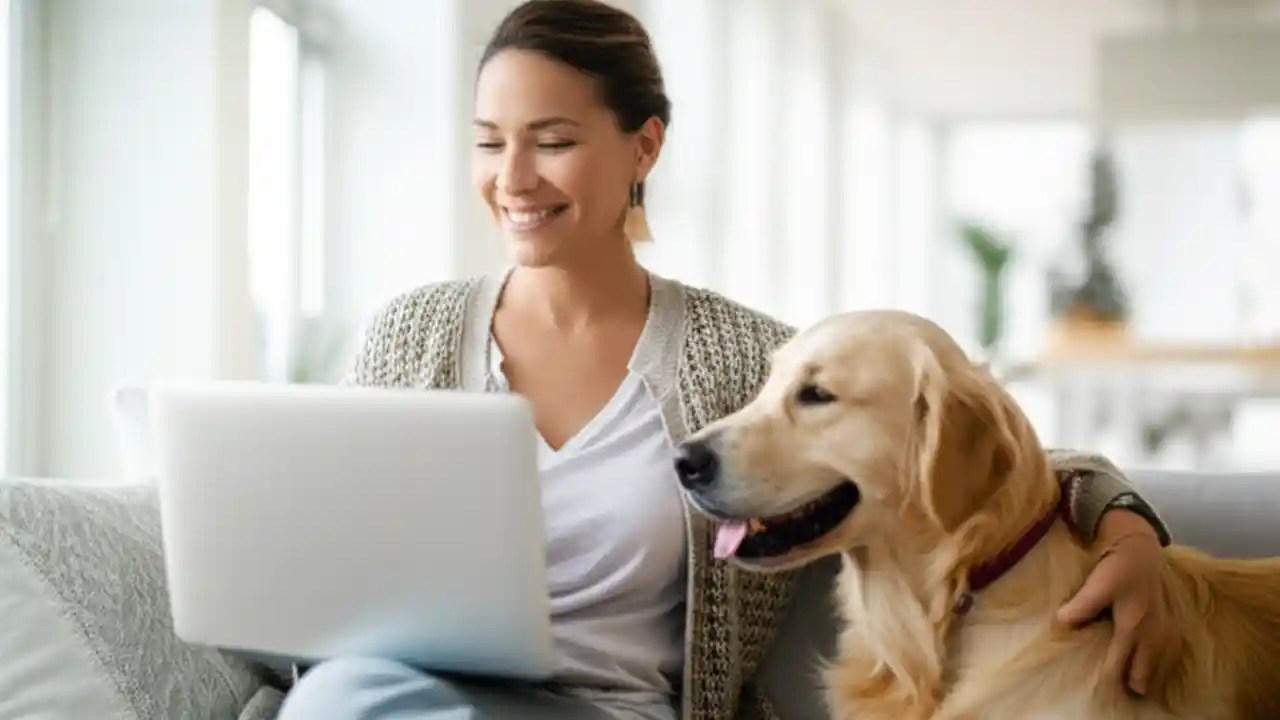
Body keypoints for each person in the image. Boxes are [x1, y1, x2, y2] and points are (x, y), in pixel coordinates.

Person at [278, 2, 1176, 718]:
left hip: (611, 711)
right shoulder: (411, 337)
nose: (511, 177)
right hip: (404, 697)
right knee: (338, 695)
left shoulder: (748, 361)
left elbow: (964, 446)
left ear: (644, 146)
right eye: (488, 140)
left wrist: (1129, 525)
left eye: (551, 141)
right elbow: (334, 544)